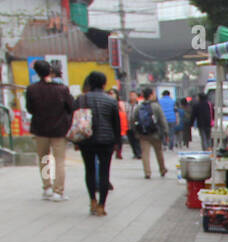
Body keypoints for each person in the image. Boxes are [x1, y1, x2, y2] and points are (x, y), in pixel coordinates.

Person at [24, 59, 73, 201]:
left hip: (40, 129)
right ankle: (58, 191)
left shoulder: (32, 89)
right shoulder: (62, 89)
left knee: (44, 159)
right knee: (59, 161)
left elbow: (30, 109)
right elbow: (70, 107)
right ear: (50, 71)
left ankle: (47, 187)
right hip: (59, 130)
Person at [74, 72, 119, 216]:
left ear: (89, 83)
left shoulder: (81, 99)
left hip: (86, 140)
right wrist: (117, 143)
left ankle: (92, 200)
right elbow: (116, 124)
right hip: (106, 141)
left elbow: (75, 120)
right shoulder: (111, 101)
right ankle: (101, 206)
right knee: (104, 172)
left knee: (90, 170)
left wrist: (76, 141)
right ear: (104, 84)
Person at [133, 87, 168, 179]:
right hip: (155, 134)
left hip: (143, 134)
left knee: (145, 153)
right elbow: (162, 120)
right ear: (151, 95)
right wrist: (166, 132)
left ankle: (147, 172)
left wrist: (136, 132)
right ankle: (162, 169)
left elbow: (133, 119)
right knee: (159, 152)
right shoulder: (156, 106)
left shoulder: (138, 107)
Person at [125, 90, 142, 159]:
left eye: (133, 95)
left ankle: (139, 153)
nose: (132, 97)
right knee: (131, 140)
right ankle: (135, 153)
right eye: (130, 95)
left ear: (136, 96)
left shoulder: (139, 105)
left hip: (137, 125)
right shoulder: (127, 105)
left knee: (137, 139)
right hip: (128, 125)